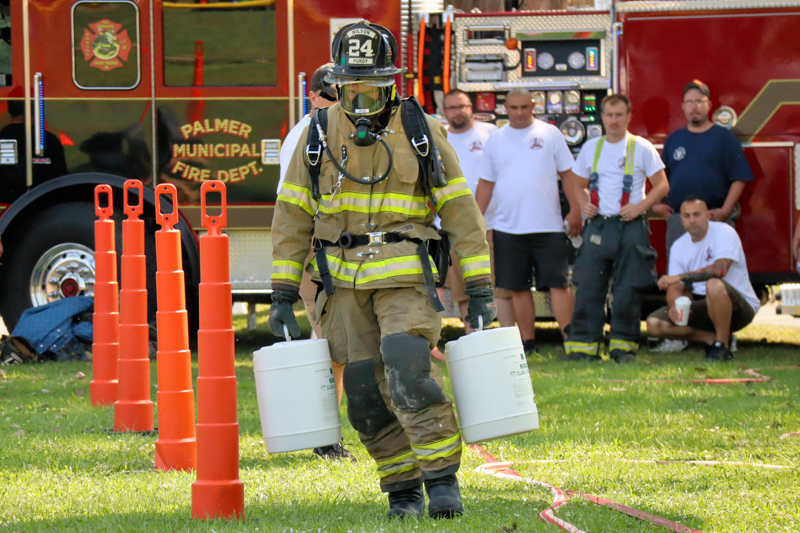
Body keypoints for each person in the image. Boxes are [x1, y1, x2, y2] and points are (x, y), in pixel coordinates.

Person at [269, 21, 495, 519]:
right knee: (364, 395)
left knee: (408, 366)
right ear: (337, 85)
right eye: (353, 88)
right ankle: (402, 490)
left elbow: (459, 209)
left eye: (374, 86)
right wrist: (283, 294)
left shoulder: (423, 131)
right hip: (342, 288)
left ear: (393, 82)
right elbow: (291, 218)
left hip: (406, 280)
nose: (363, 98)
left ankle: (441, 482)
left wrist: (479, 288)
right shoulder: (316, 135)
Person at [275, 64, 352, 461]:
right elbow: (294, 212)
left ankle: (322, 431)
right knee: (330, 344)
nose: (342, 105)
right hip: (314, 252)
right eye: (334, 97)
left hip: (336, 249)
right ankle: (324, 439)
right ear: (314, 96)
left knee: (331, 344)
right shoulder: (305, 136)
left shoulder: (332, 131)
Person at [564, 94, 669, 363]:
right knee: (588, 286)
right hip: (598, 226)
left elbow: (662, 185)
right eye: (609, 115)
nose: (613, 120)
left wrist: (640, 207)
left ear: (628, 116)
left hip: (631, 226)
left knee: (627, 290)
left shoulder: (641, 147)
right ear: (602, 116)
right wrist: (583, 204)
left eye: (619, 115)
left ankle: (623, 348)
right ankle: (582, 349)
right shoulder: (591, 148)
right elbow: (576, 184)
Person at [474, 88, 580, 354]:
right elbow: (486, 184)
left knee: (559, 285)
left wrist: (576, 209)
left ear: (534, 106)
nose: (520, 113)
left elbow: (568, 176)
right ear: (505, 109)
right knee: (517, 288)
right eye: (514, 108)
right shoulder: (496, 139)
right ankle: (527, 343)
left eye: (525, 107)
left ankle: (572, 341)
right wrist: (475, 220)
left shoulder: (550, 134)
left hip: (549, 226)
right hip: (507, 227)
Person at [651, 80, 754, 353]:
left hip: (714, 219)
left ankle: (724, 334)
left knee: (716, 279)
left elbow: (740, 177)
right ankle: (678, 334)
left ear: (709, 105)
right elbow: (662, 178)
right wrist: (659, 203)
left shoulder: (723, 138)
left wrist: (724, 210)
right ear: (683, 107)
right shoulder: (674, 139)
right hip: (678, 221)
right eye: (689, 102)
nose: (694, 106)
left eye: (699, 101)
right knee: (679, 278)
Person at [646, 196, 759, 361]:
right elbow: (675, 288)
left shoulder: (724, 232)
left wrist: (679, 277)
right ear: (681, 220)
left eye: (696, 215)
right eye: (686, 216)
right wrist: (673, 306)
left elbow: (719, 271)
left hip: (739, 306)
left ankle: (722, 346)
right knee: (654, 322)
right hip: (702, 305)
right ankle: (710, 339)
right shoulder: (679, 246)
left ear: (707, 216)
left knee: (713, 284)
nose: (692, 220)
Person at [441, 89, 514, 336]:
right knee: (463, 286)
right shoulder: (439, 138)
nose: (458, 112)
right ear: (444, 111)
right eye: (452, 107)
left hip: (491, 224)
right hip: (452, 227)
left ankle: (507, 338)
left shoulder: (491, 133)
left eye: (462, 106)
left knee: (496, 285)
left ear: (471, 108)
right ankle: (474, 338)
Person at [0, 88, 68, 203]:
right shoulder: (49, 140)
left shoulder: (3, 136)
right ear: (34, 108)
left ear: (10, 108)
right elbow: (61, 179)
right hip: (43, 205)